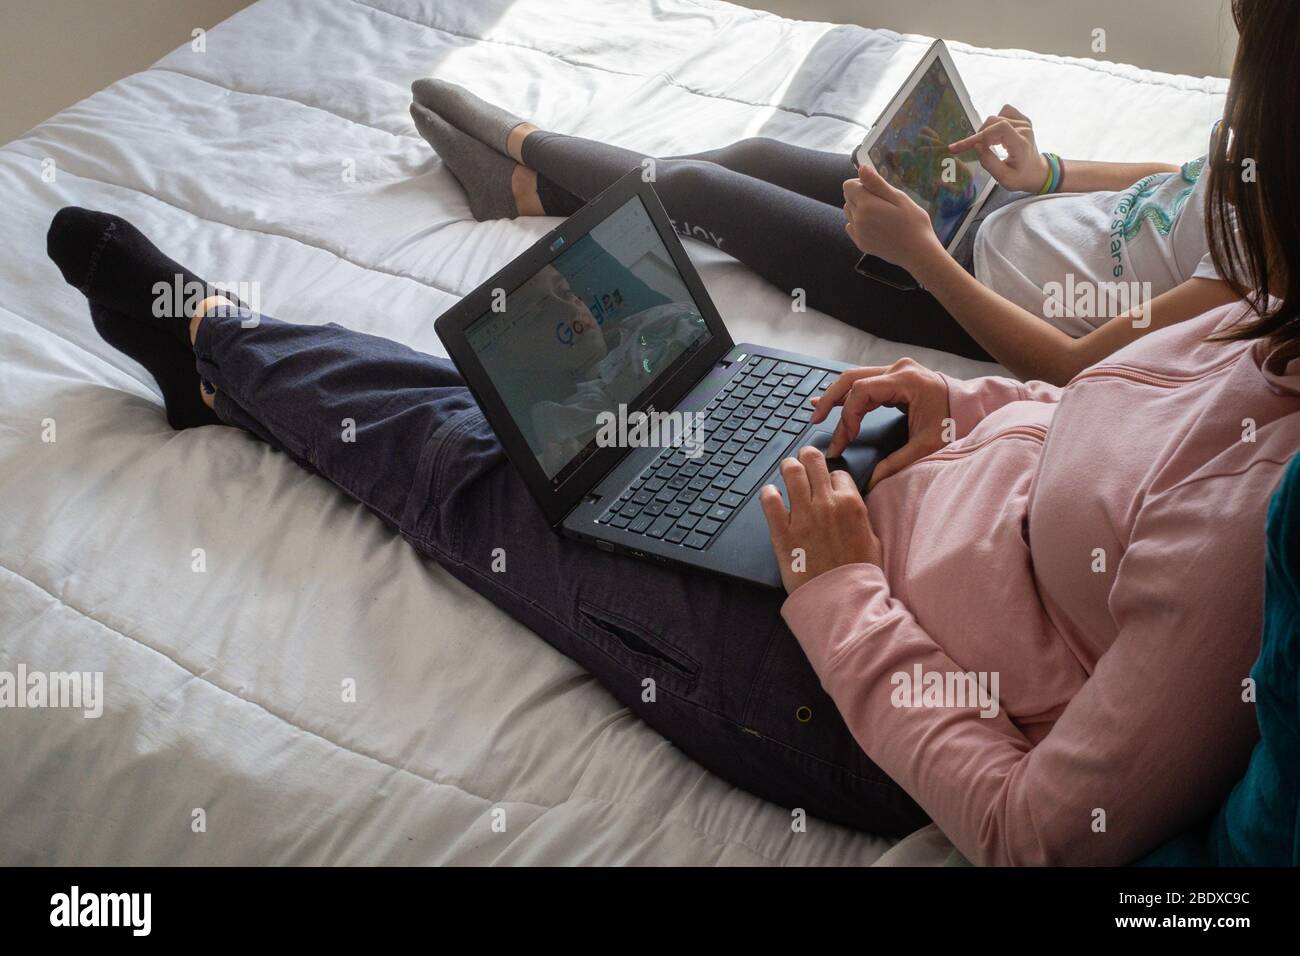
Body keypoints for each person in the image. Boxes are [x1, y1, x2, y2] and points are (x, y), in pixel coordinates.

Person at [45, 0, 1298, 864]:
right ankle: (255, 352)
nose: (1226, 156)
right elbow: (1096, 404)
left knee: (495, 476)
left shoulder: (1249, 527)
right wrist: (957, 400)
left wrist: (840, 591)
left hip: (845, 671)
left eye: (1245, 129)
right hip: (884, 487)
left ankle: (214, 349)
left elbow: (1037, 830)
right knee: (614, 412)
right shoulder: (1265, 312)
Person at [409, 67, 1236, 384]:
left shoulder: (1268, 258)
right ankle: (531, 192)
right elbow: (1176, 182)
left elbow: (1073, 365)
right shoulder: (1268, 146)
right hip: (1000, 213)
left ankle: (525, 145)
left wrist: (919, 257)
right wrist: (1046, 172)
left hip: (963, 292)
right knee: (758, 153)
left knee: (700, 186)